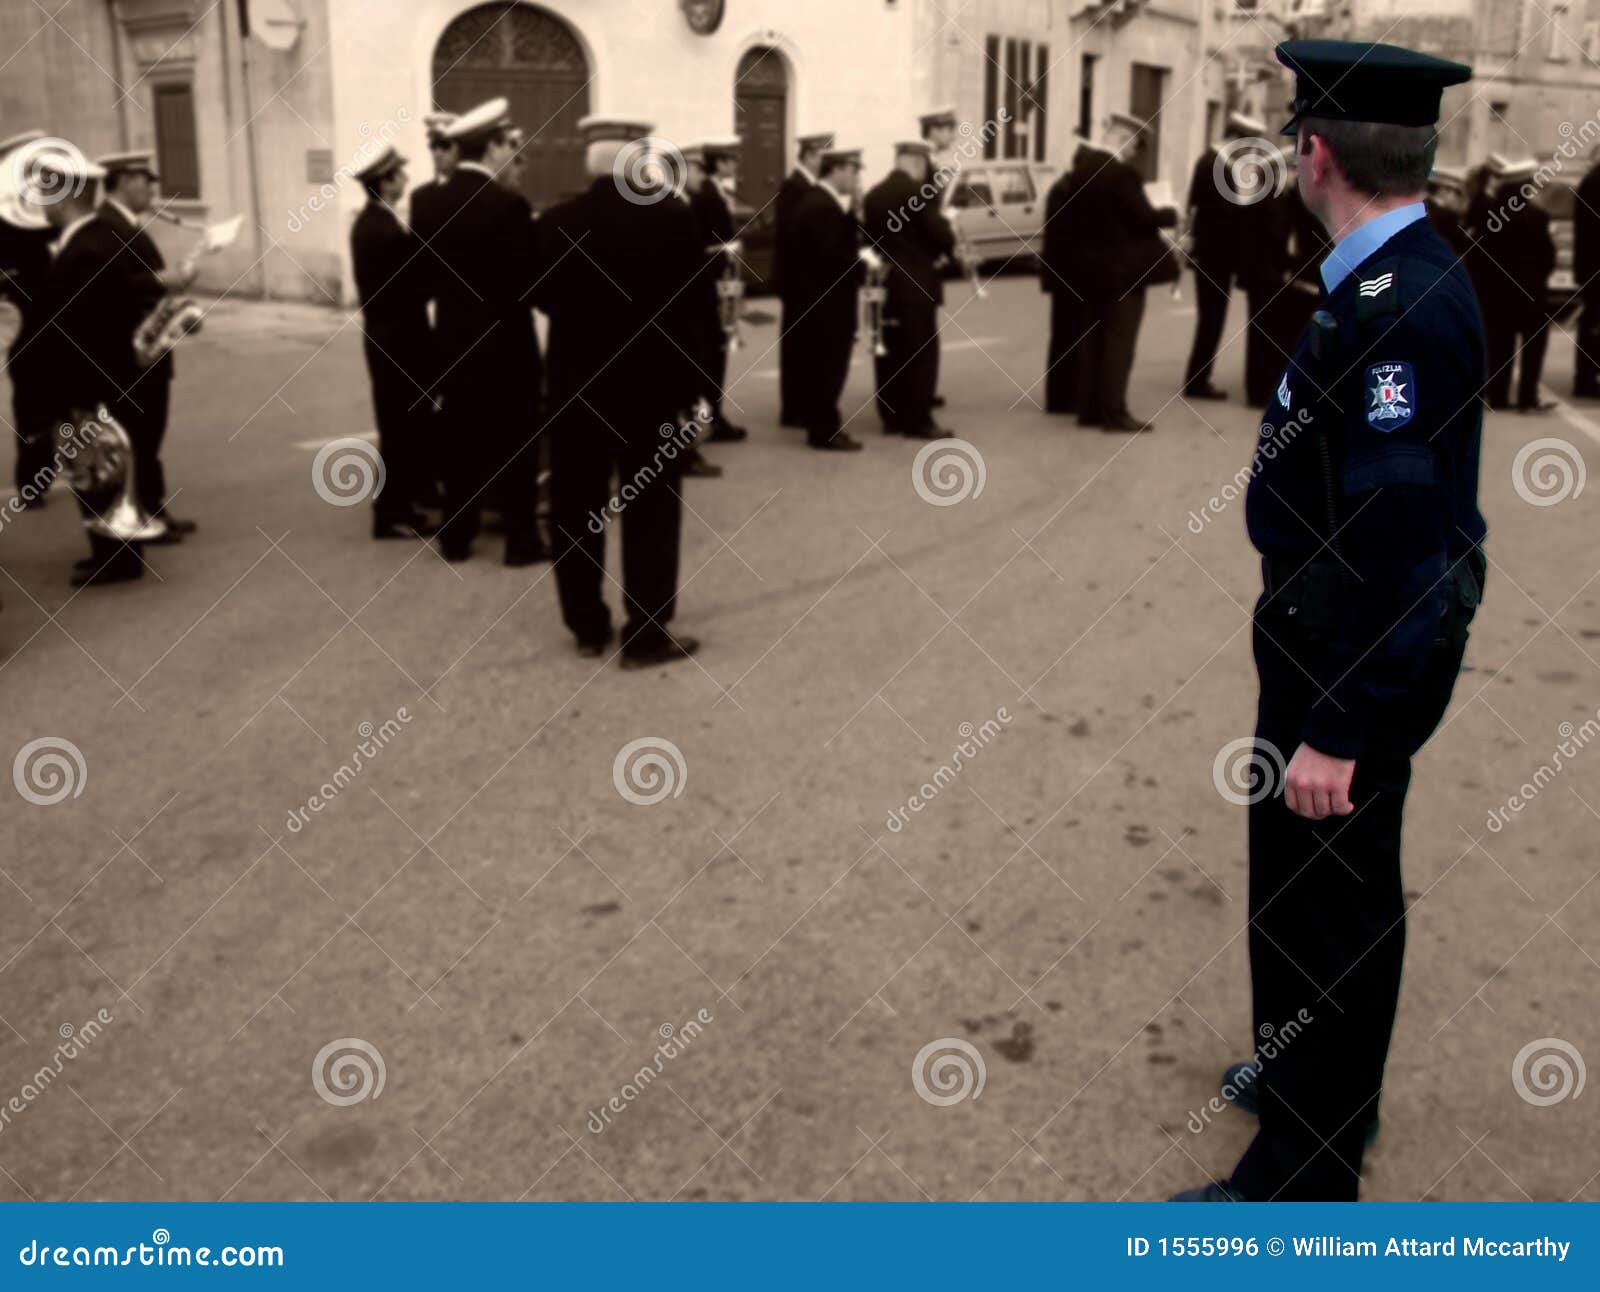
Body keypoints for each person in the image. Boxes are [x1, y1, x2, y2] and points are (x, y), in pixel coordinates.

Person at [1172, 38, 1486, 1204]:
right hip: (1323, 638)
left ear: (1312, 154)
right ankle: (1309, 1074)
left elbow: (1399, 545)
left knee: (1328, 913)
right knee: (1303, 896)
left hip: (1343, 659)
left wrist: (1342, 725)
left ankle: (1302, 1173)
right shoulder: (1383, 274)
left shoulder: (1396, 304)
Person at [535, 116, 701, 668]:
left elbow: (541, 300)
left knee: (576, 504)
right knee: (652, 507)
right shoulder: (675, 219)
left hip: (576, 390)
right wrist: (696, 392)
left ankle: (585, 624)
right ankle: (646, 632)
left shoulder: (555, 223)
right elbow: (692, 317)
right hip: (650, 390)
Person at [408, 97, 545, 565]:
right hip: (506, 341)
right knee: (517, 439)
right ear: (490, 149)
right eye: (505, 146)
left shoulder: (429, 204)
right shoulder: (508, 205)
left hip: (454, 337)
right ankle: (521, 540)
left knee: (460, 437)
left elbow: (421, 279)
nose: (511, 155)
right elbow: (529, 283)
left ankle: (456, 536)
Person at [32, 152, 151, 586]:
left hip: (88, 381)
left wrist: (59, 394)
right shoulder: (97, 239)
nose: (41, 202)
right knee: (101, 468)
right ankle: (116, 552)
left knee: (97, 468)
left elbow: (73, 331)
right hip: (107, 375)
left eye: (46, 192)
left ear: (63, 196)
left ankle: (117, 559)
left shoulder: (85, 250)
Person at [96, 151, 198, 540]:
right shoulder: (106, 227)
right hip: (129, 354)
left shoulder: (129, 225)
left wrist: (175, 285)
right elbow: (113, 286)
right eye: (145, 179)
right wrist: (162, 282)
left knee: (149, 436)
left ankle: (153, 509)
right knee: (138, 437)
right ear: (123, 181)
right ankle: (141, 517)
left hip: (150, 349)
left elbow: (143, 280)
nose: (152, 187)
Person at [349, 144, 435, 540]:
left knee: (400, 423)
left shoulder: (373, 221)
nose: (405, 180)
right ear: (384, 182)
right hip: (397, 339)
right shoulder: (383, 231)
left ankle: (402, 503)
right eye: (399, 174)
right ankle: (391, 513)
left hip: (387, 336)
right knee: (399, 427)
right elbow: (416, 285)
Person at [1069, 113, 1174, 432]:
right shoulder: (1121, 175)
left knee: (1093, 341)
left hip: (1090, 269)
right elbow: (1143, 217)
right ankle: (1114, 412)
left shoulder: (1082, 170)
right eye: (1135, 144)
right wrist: (1170, 212)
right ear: (1122, 138)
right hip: (1122, 273)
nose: (1134, 152)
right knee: (1119, 343)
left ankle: (1088, 409)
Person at [862, 140, 954, 438]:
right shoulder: (920, 192)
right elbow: (939, 235)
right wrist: (947, 229)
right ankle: (918, 420)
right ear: (916, 162)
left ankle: (891, 415)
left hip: (885, 282)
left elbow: (868, 239)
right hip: (916, 284)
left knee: (889, 349)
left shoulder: (874, 195)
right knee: (920, 351)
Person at [785, 146, 866, 451]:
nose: (856, 178)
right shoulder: (821, 206)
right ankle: (825, 430)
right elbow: (833, 258)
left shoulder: (825, 203)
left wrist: (855, 212)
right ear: (837, 170)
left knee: (825, 366)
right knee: (828, 367)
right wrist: (864, 267)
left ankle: (824, 423)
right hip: (827, 305)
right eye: (853, 170)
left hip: (822, 302)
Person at [1182, 113, 1265, 400]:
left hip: (1210, 254)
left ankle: (1198, 376)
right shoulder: (1217, 166)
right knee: (1212, 319)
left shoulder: (1209, 161)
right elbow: (1226, 216)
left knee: (1211, 318)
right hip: (1215, 258)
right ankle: (1197, 381)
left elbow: (1195, 207)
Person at [1466, 155, 1555, 413]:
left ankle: (1499, 396)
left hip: (1497, 294)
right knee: (1534, 344)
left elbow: (1478, 257)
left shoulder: (1488, 215)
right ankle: (1527, 397)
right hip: (1531, 293)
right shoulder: (1538, 216)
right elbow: (1547, 257)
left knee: (1499, 343)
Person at [1, 130, 59, 507]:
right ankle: (32, 479)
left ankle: (50, 469)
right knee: (32, 403)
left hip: (57, 322)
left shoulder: (43, 214)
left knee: (57, 401)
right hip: (24, 325)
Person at [688, 136, 749, 444]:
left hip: (719, 279)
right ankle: (710, 416)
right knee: (712, 352)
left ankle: (712, 413)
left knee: (716, 350)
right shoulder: (707, 195)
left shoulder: (716, 191)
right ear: (720, 163)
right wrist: (727, 251)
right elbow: (704, 244)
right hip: (711, 282)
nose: (736, 164)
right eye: (731, 159)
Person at [775, 131, 833, 428]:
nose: (826, 161)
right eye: (823, 155)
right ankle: (794, 408)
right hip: (799, 280)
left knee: (803, 343)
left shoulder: (805, 186)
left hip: (802, 280)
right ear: (810, 156)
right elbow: (793, 237)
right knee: (798, 344)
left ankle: (799, 404)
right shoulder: (795, 187)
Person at [1039, 141, 1090, 415]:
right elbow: (1072, 237)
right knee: (1068, 337)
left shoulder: (1062, 187)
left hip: (1062, 275)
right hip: (1070, 275)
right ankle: (1062, 398)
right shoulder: (1070, 191)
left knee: (1064, 336)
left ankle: (1060, 396)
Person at [920, 106, 961, 413]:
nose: (952, 133)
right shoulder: (925, 164)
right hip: (922, 254)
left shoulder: (936, 162)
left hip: (930, 251)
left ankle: (925, 387)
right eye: (947, 127)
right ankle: (920, 390)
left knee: (927, 326)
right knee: (921, 330)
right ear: (932, 130)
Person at [1574, 148, 1600, 398]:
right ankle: (1585, 379)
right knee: (1592, 324)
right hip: (1595, 267)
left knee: (1591, 323)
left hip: (1590, 267)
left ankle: (1586, 376)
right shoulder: (1594, 182)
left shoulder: (1591, 180)